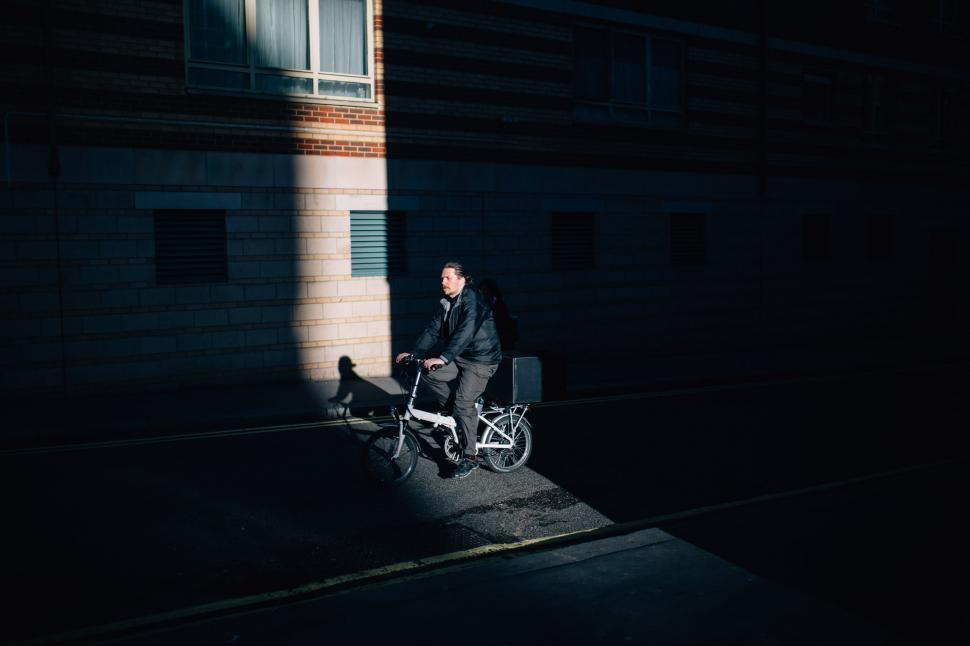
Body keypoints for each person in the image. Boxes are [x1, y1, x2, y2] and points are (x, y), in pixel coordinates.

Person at [395, 261, 502, 479]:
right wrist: (414, 355)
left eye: (447, 278)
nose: (442, 281)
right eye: (442, 278)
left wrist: (443, 357)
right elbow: (432, 331)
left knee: (463, 402)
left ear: (461, 280)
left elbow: (465, 333)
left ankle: (470, 457)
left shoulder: (473, 303)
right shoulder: (446, 302)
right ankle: (461, 414)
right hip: (460, 356)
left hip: (482, 360)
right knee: (426, 373)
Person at [478, 278, 518, 351]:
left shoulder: (498, 305)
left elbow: (501, 322)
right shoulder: (484, 304)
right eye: (481, 291)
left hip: (500, 339)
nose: (483, 293)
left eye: (485, 290)